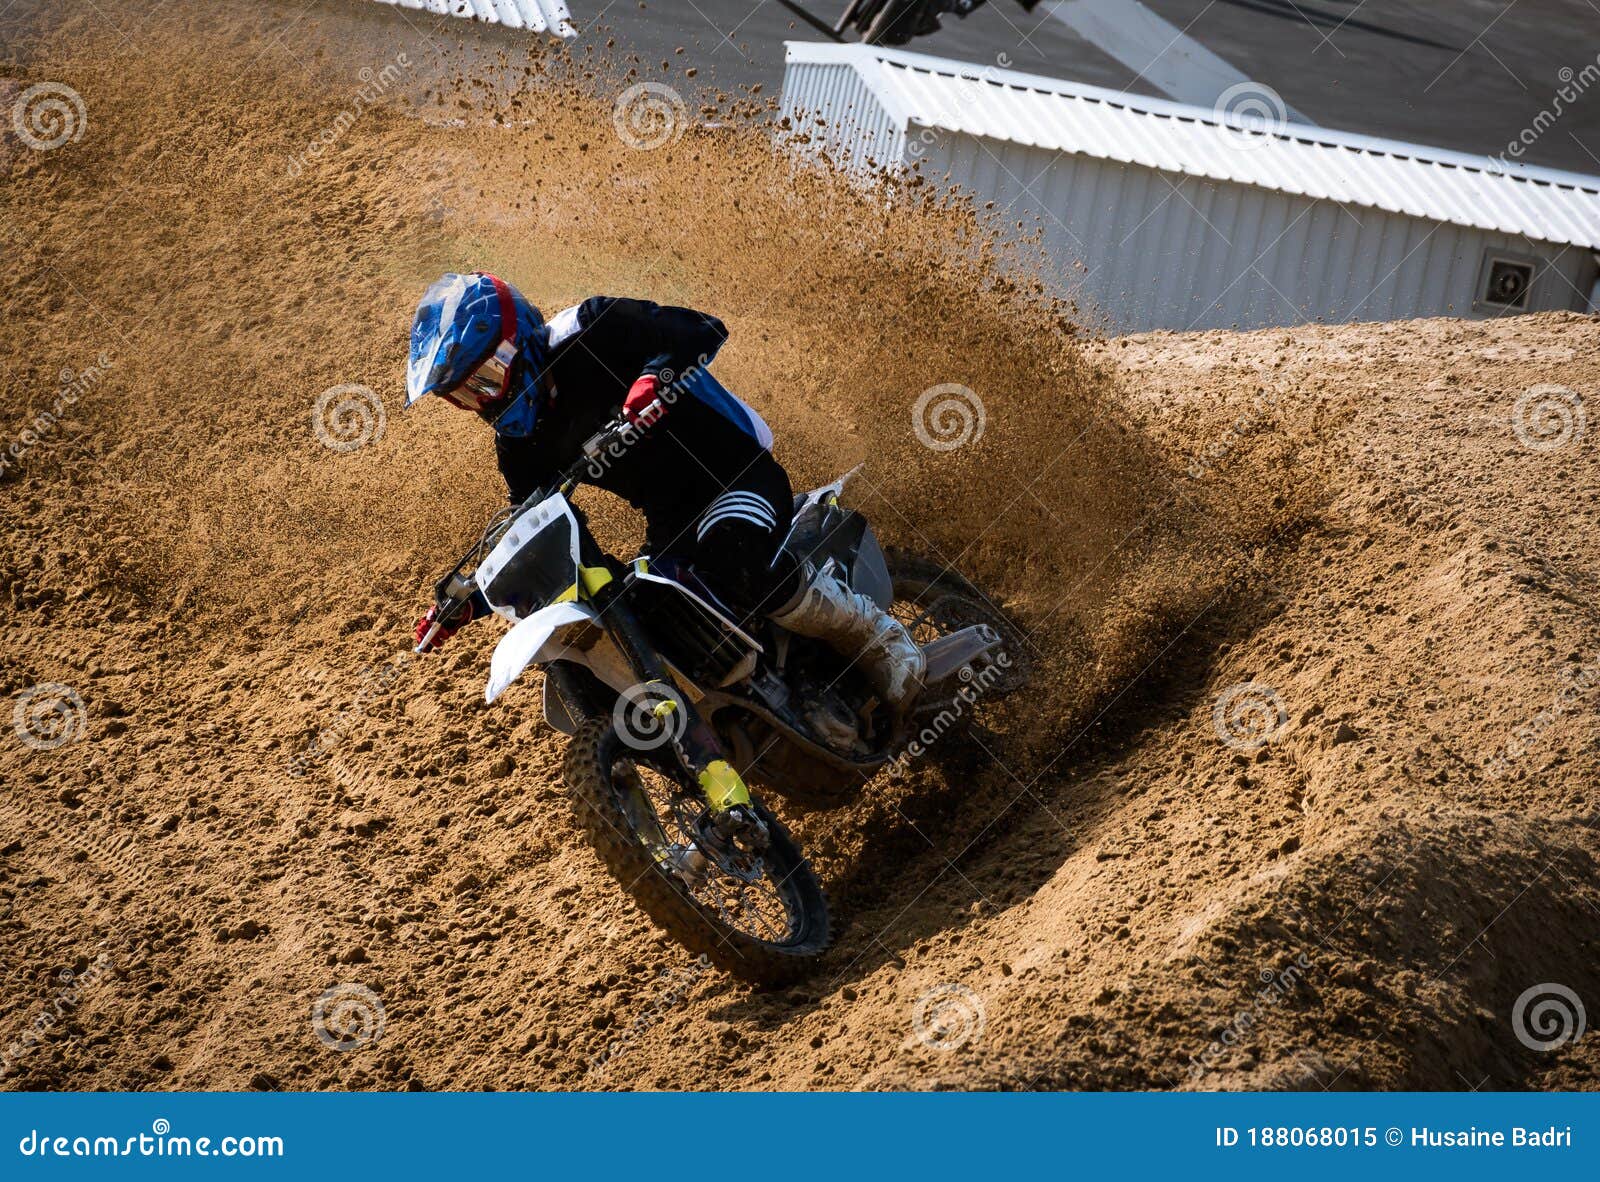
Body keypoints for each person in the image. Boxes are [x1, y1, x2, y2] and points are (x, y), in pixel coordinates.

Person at [405, 271, 924, 707]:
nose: (485, 399)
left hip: (736, 477)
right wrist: (472, 599)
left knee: (735, 564)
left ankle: (876, 635)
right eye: (465, 395)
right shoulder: (518, 448)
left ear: (514, 341)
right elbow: (534, 524)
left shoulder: (593, 328)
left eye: (488, 375)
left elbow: (700, 330)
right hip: (671, 524)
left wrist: (655, 377)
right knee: (643, 614)